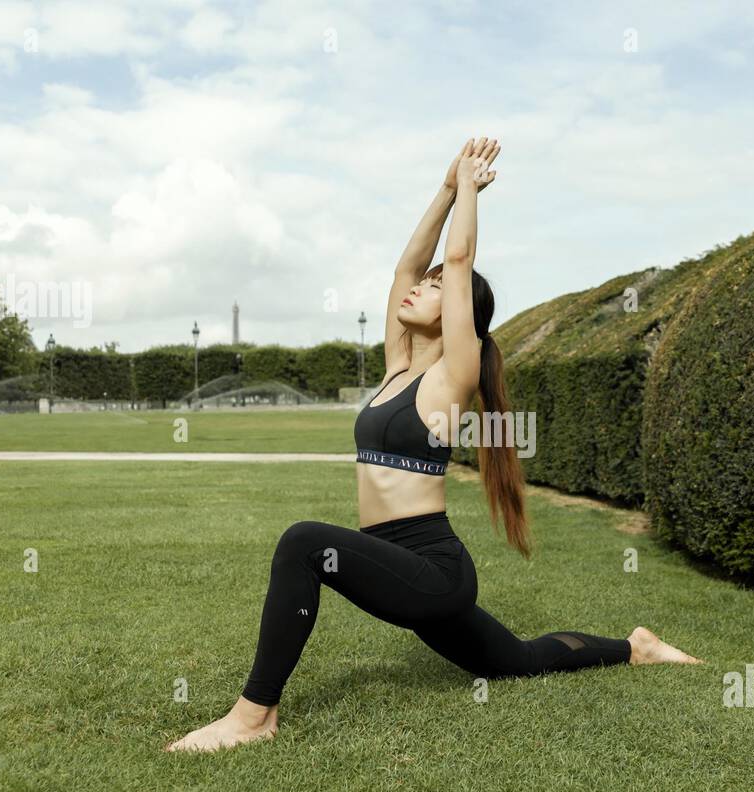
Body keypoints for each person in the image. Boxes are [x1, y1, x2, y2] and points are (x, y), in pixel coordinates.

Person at [167, 137, 697, 752]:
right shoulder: (398, 366)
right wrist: (445, 187)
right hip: (393, 561)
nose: (422, 285)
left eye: (439, 285)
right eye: (429, 281)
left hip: (434, 572)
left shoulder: (451, 380)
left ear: (460, 317)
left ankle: (254, 716)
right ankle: (637, 647)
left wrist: (470, 190)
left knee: (303, 542)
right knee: (518, 661)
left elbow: (462, 255)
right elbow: (402, 268)